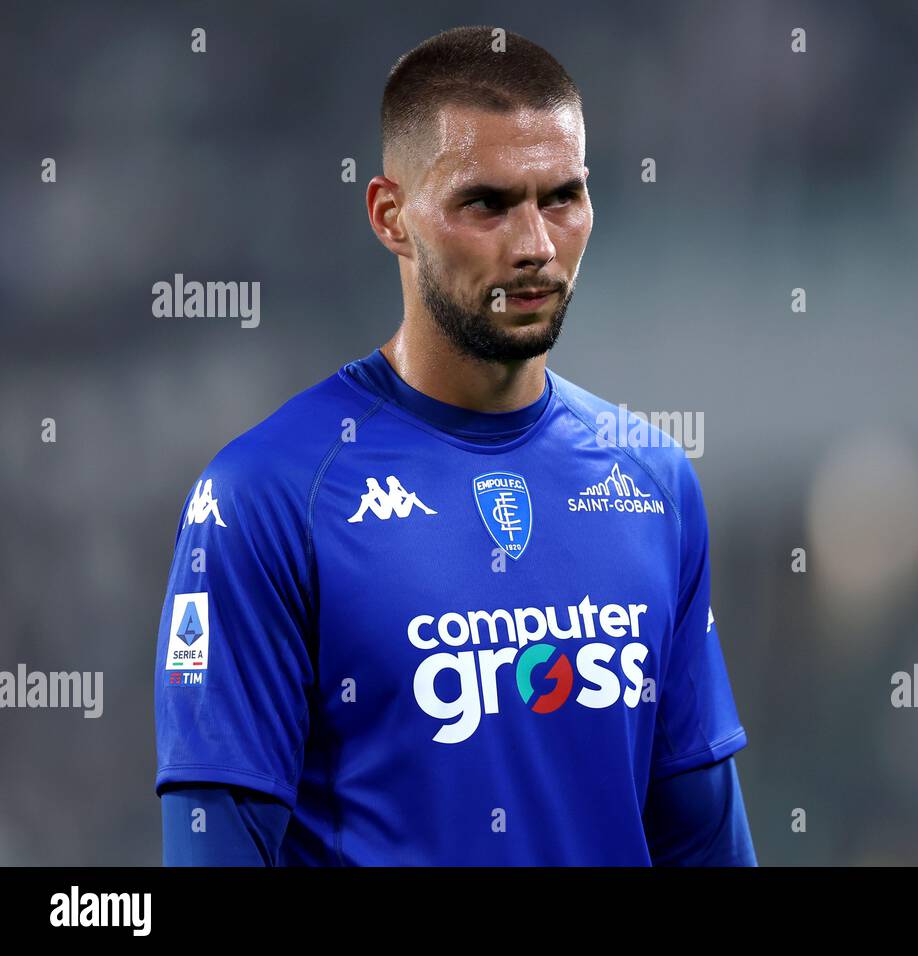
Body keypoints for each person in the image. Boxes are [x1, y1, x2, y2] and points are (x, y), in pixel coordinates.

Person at [154, 25, 756, 866]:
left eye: (562, 197)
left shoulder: (652, 481)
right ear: (391, 217)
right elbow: (214, 845)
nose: (537, 245)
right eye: (488, 203)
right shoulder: (267, 497)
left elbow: (701, 837)